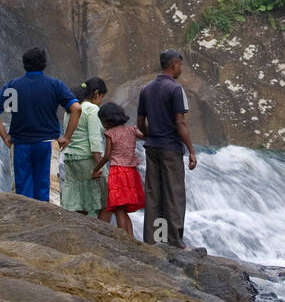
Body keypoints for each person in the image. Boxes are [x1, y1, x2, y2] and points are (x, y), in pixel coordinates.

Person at [0, 47, 81, 202]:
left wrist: (5, 137)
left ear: (24, 65)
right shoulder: (55, 85)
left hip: (20, 145)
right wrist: (67, 137)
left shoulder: (12, 86)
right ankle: (51, 225)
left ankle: (25, 225)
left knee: (22, 195)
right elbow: (76, 108)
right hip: (47, 144)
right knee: (49, 192)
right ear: (44, 64)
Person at [137, 49, 198, 247]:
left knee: (154, 193)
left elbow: (140, 122)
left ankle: (154, 239)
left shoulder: (146, 89)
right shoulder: (175, 89)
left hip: (152, 147)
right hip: (170, 147)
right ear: (173, 65)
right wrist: (191, 150)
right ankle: (174, 240)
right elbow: (180, 123)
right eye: (180, 65)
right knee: (174, 193)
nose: (181, 69)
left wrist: (149, 135)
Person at [92, 101, 145, 237]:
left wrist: (96, 169)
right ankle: (131, 238)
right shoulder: (132, 130)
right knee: (124, 210)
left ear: (107, 121)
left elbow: (107, 156)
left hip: (117, 173)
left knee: (119, 210)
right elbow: (146, 136)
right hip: (132, 173)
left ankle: (123, 239)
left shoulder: (110, 134)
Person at [61, 77, 107, 218]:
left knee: (79, 201)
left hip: (70, 158)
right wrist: (99, 166)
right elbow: (95, 141)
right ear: (96, 93)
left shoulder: (71, 108)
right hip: (87, 159)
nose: (101, 101)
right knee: (103, 201)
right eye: (101, 97)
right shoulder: (92, 109)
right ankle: (99, 236)